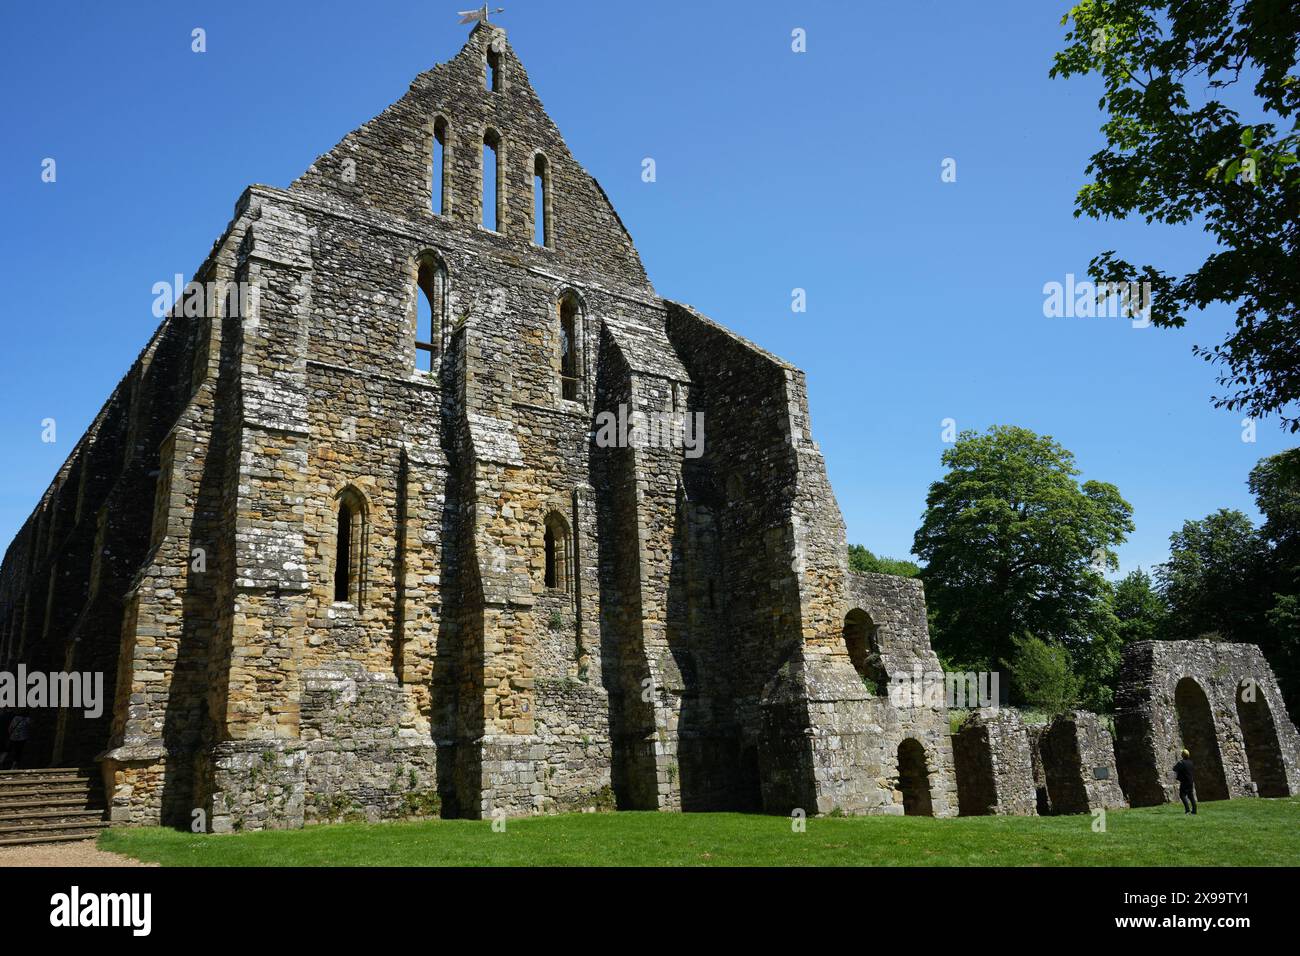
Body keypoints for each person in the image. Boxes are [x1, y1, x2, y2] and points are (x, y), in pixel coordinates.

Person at [1173, 748, 1197, 814]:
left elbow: (1174, 768)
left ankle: (1187, 809)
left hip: (1184, 781)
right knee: (1191, 795)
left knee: (1182, 795)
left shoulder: (1181, 762)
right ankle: (1194, 810)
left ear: (1182, 755)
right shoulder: (1191, 762)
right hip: (1191, 781)